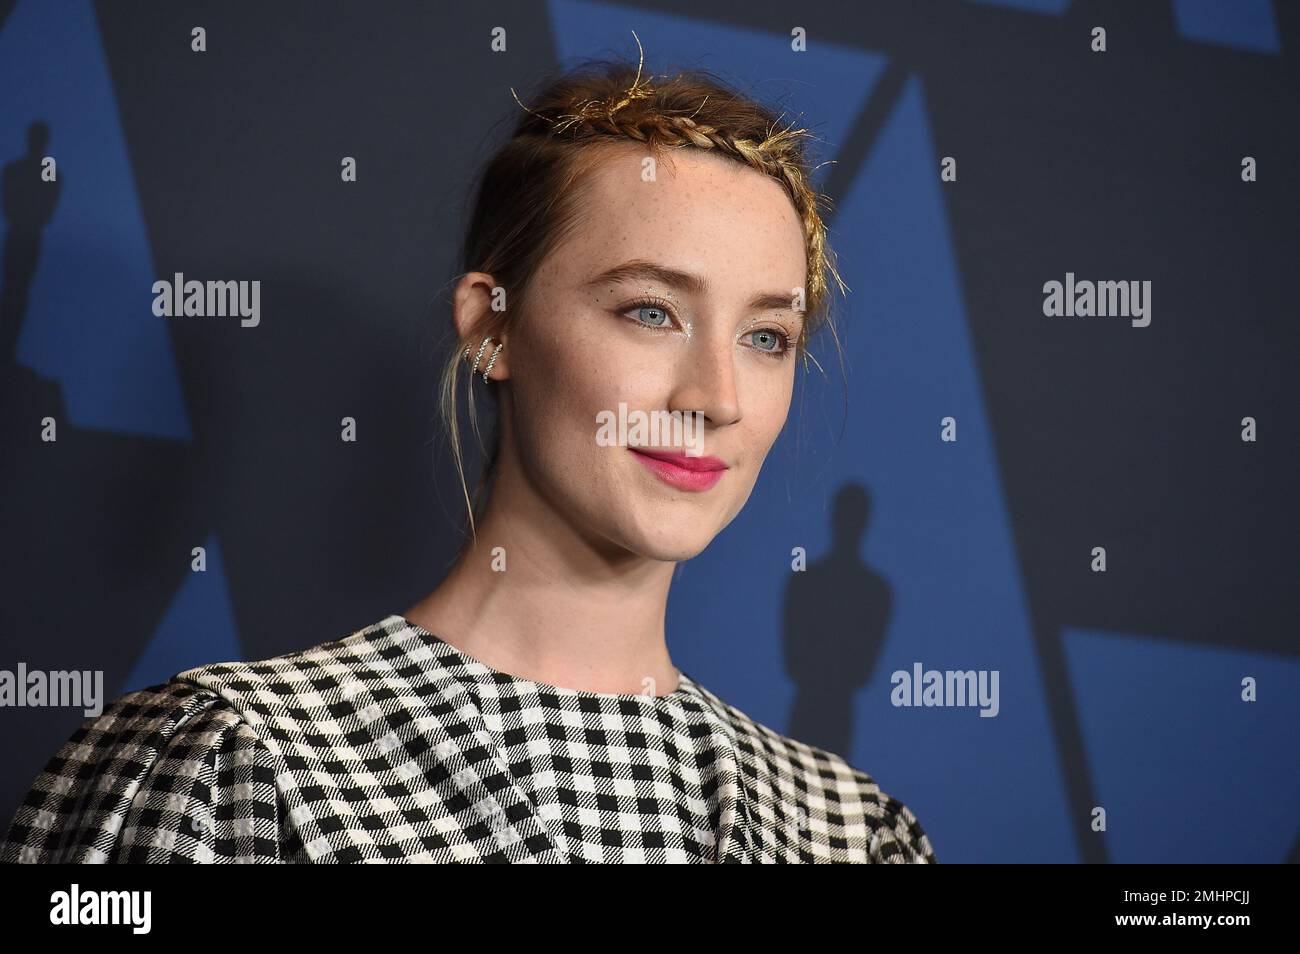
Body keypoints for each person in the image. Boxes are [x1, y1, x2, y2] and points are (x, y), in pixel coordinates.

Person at [0, 41, 936, 864]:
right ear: (492, 327)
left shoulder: (848, 831)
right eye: (650, 311)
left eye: (766, 336)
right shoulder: (231, 765)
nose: (716, 399)